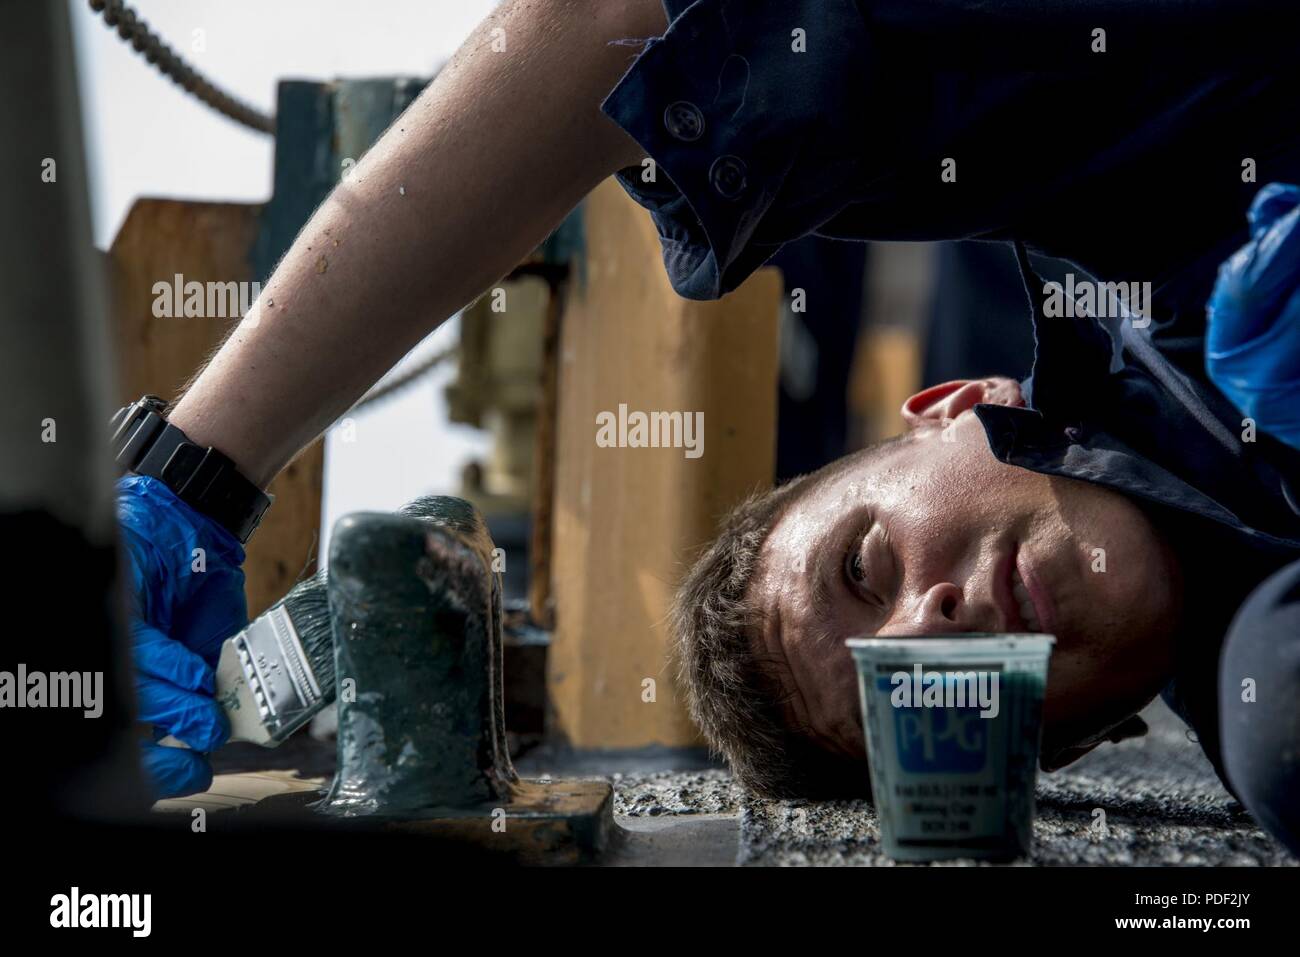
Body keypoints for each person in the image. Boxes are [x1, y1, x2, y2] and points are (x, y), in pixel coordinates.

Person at [117, 0, 1300, 832]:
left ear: (955, 407)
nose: (937, 620)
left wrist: (195, 470)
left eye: (867, 564)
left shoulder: (1095, 164)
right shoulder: (1275, 703)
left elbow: (623, 23)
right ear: (1071, 747)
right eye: (933, 701)